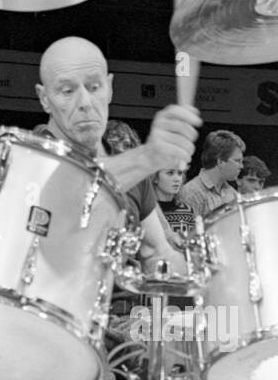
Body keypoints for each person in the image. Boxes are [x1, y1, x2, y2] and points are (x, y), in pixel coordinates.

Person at [33, 36, 198, 272]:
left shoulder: (133, 170)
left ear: (109, 87)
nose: (85, 102)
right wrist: (147, 157)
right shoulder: (32, 157)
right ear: (44, 98)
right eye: (67, 90)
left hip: (122, 308)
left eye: (94, 87)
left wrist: (213, 274)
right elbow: (61, 199)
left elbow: (156, 253)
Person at [178, 129, 244, 218]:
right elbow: (188, 231)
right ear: (220, 162)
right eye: (237, 161)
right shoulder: (189, 194)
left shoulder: (232, 193)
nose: (241, 166)